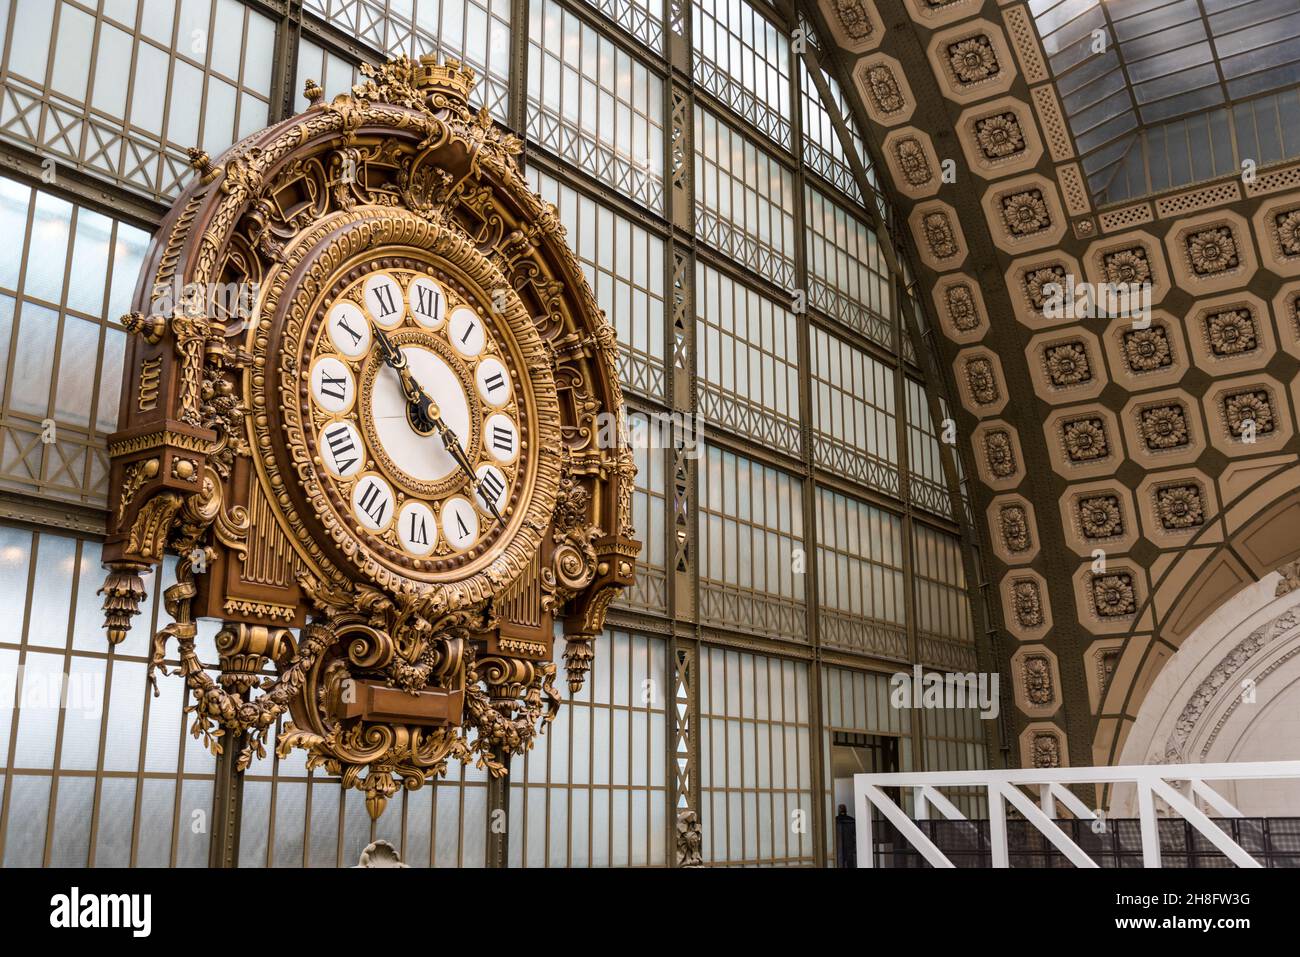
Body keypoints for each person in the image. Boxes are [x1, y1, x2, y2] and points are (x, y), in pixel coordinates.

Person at [835, 803, 856, 868]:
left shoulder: (835, 820)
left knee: (840, 862)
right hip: (849, 845)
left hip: (838, 845)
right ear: (846, 810)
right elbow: (854, 833)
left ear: (838, 810)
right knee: (850, 862)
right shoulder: (852, 820)